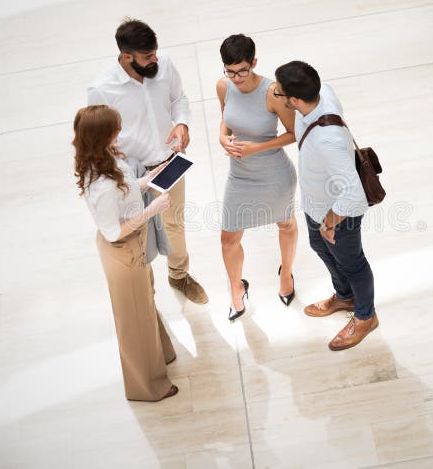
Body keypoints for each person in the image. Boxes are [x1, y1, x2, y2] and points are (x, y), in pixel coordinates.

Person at [87, 18, 207, 304]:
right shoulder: (102, 89)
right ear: (127, 57)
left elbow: (179, 99)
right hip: (131, 173)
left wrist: (182, 124)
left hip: (169, 163)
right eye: (147, 56)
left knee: (174, 224)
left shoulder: (164, 64)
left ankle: (179, 276)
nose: (155, 59)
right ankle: (146, 292)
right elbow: (96, 135)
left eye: (155, 52)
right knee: (139, 234)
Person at [73, 104, 178, 401]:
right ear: (102, 136)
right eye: (115, 130)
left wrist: (146, 181)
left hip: (133, 245)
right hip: (123, 249)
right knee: (135, 323)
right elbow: (112, 231)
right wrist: (151, 209)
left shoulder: (104, 158)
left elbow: (125, 188)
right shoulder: (101, 186)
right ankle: (148, 387)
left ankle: (162, 357)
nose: (120, 133)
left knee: (144, 309)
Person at [273, 60, 378, 350]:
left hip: (339, 214)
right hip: (316, 203)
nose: (276, 95)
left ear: (294, 100)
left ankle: (365, 316)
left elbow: (353, 194)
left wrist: (331, 222)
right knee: (320, 247)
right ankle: (344, 295)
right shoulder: (322, 93)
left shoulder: (327, 141)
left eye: (280, 93)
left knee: (353, 263)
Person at [216, 34, 298, 321]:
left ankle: (286, 274)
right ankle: (236, 289)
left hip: (273, 174)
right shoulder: (223, 86)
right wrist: (222, 137)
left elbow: (293, 133)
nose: (236, 78)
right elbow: (226, 117)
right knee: (228, 238)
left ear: (254, 63)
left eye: (242, 70)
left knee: (286, 224)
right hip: (240, 176)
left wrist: (258, 147)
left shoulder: (273, 92)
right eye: (230, 71)